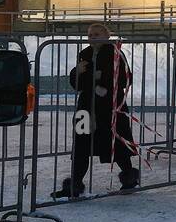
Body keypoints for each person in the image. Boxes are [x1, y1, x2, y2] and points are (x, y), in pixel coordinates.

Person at [52, 23, 139, 198]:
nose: (93, 37)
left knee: (116, 143)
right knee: (81, 145)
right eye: (90, 34)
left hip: (110, 109)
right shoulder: (85, 54)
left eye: (97, 34)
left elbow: (122, 79)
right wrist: (76, 72)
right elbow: (78, 84)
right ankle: (74, 185)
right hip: (85, 108)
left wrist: (98, 81)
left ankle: (129, 178)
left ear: (107, 35)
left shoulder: (115, 53)